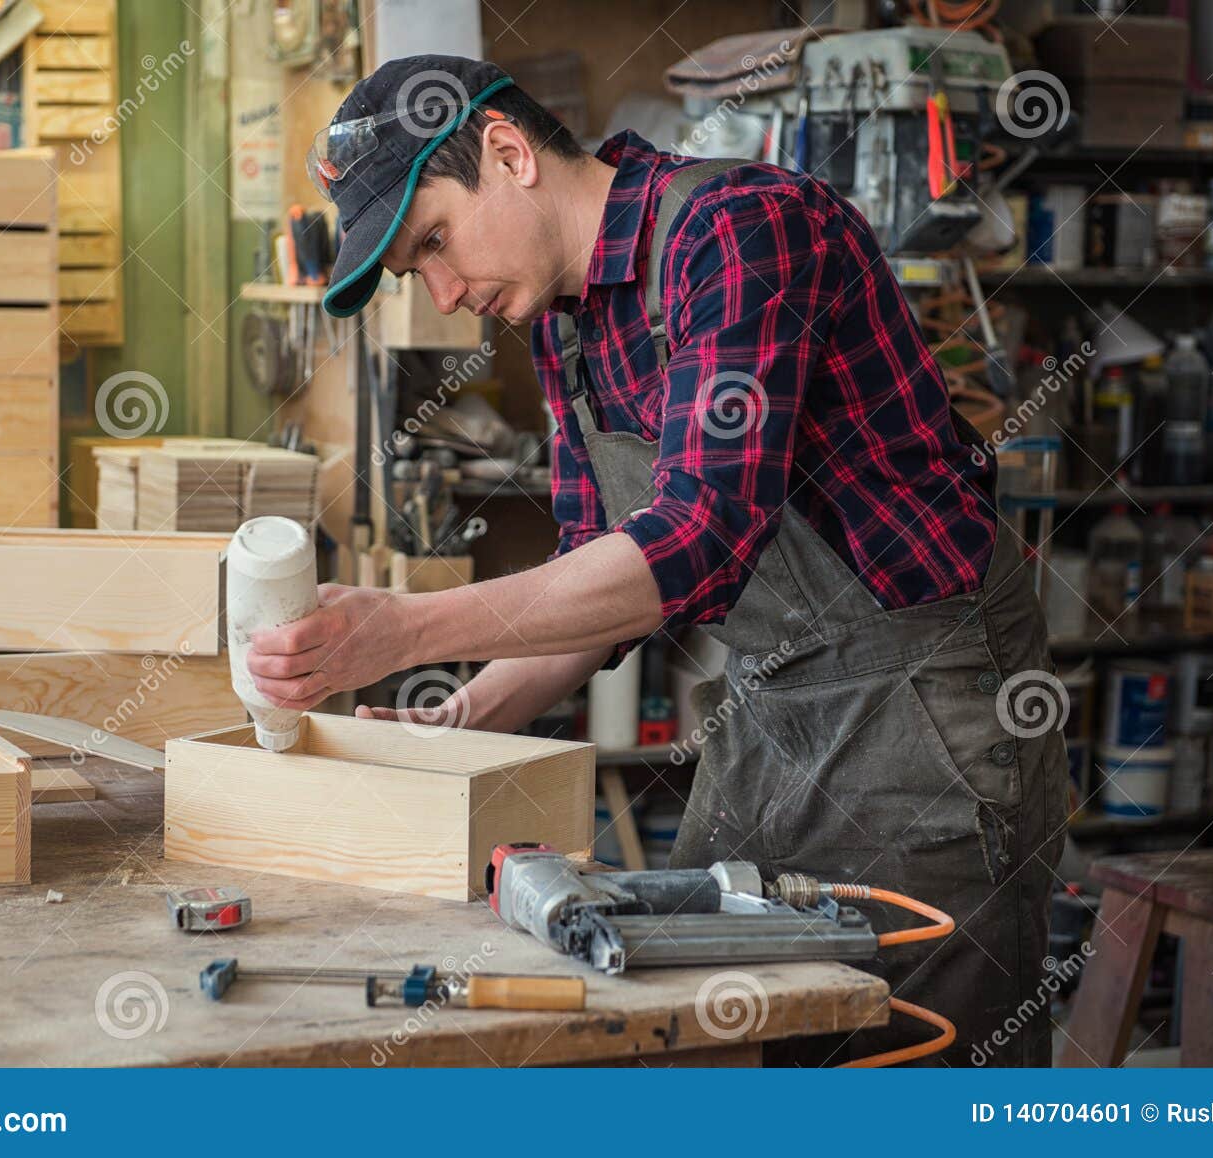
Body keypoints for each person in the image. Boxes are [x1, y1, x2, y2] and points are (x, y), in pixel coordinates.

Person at [248, 54, 1067, 1065]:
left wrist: (404, 628)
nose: (448, 292)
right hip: (770, 715)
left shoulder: (739, 232)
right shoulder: (564, 320)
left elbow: (692, 543)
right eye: (422, 273)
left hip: (925, 717)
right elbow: (604, 578)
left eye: (434, 243)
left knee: (907, 1064)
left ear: (508, 154)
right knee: (689, 1034)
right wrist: (456, 722)